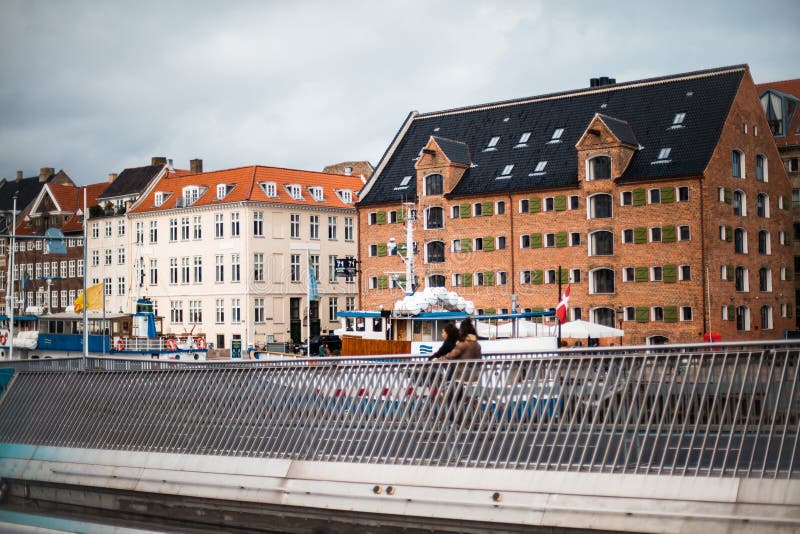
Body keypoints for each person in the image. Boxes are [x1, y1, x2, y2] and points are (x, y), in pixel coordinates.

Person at [435, 317, 483, 425]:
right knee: (455, 395)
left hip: (462, 377)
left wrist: (438, 360)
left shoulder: (463, 344)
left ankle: (450, 421)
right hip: (474, 377)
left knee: (450, 398)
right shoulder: (477, 344)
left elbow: (450, 355)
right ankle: (455, 420)